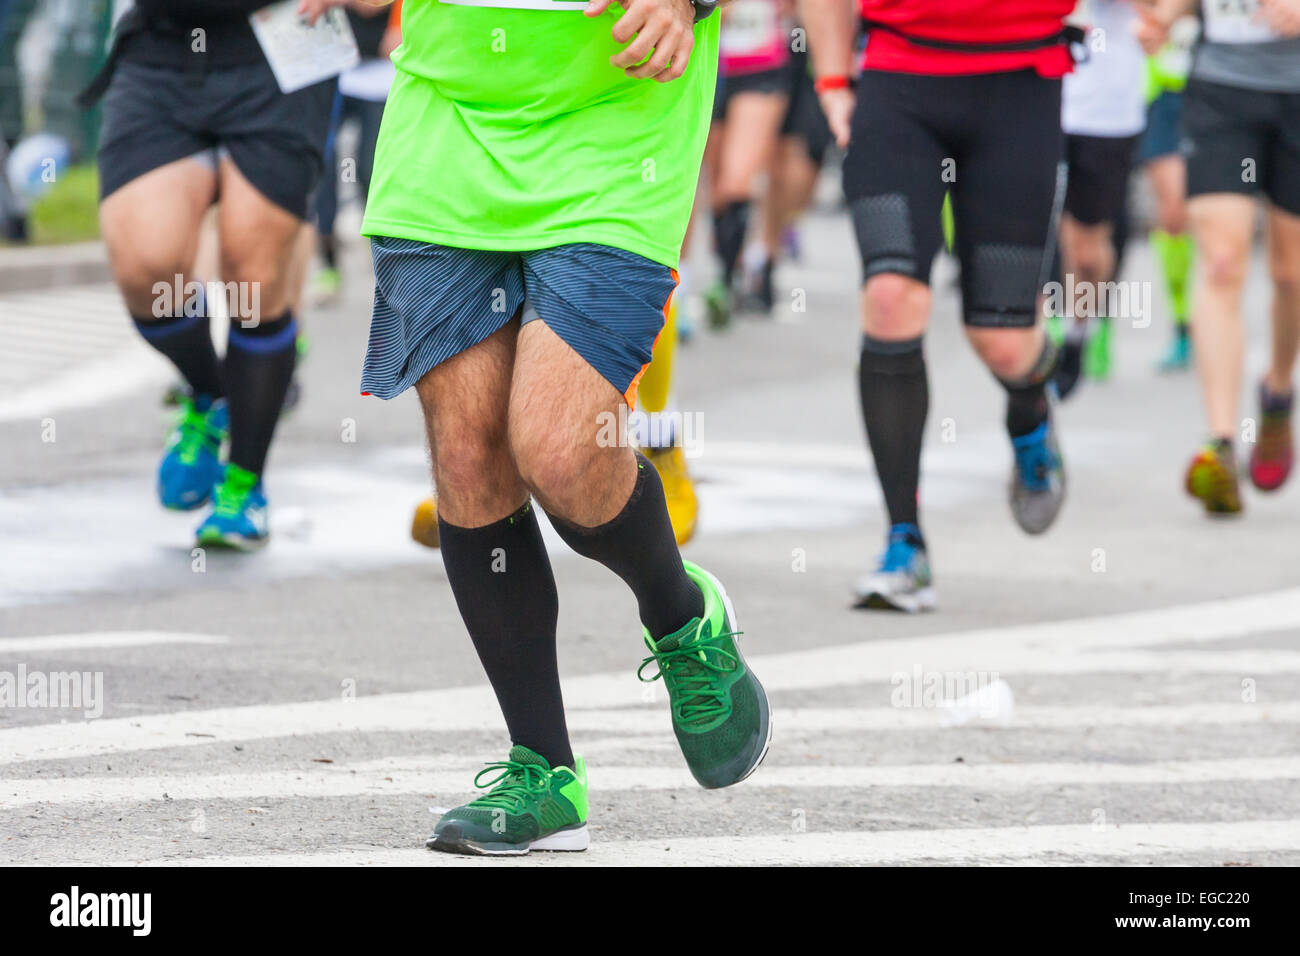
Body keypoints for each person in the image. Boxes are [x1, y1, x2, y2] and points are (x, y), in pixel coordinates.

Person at [303, 0, 770, 855]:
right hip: (448, 111)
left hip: (618, 109)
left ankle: (679, 613)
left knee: (558, 445)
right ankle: (544, 772)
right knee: (467, 451)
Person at [804, 0, 1076, 612]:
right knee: (890, 298)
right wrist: (831, 79)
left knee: (1003, 340)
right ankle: (905, 541)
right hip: (898, 79)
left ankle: (1030, 411)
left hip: (1021, 81)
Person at [86, 0, 343, 548]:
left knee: (252, 273)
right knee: (146, 269)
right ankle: (212, 395)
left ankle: (243, 485)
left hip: (282, 43)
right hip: (161, 46)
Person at [1137, 0, 1300, 514]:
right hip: (1220, 92)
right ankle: (1222, 445)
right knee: (1223, 261)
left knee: (1291, 275)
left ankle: (1276, 392)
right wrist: (1164, 16)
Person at [1049, 0, 1147, 399]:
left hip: (1108, 114)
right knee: (1038, 231)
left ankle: (1079, 329)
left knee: (1087, 254)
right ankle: (1041, 337)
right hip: (1039, 95)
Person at [705, 0, 792, 327]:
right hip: (707, 60)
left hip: (760, 67)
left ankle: (726, 282)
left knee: (736, 182)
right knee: (714, 186)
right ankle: (727, 267)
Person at [1141, 14, 1199, 373]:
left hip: (1220, 92)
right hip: (1162, 98)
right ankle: (1182, 323)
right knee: (1174, 213)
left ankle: (1212, 310)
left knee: (1215, 221)